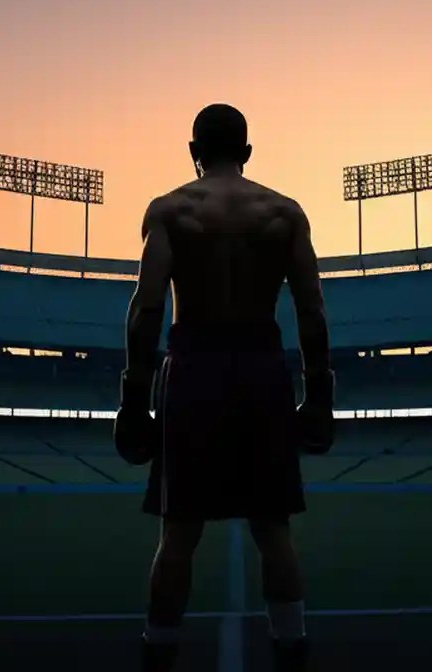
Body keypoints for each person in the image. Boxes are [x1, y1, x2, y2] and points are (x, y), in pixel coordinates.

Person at [114, 103, 335, 672]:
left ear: (193, 153)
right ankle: (292, 648)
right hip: (262, 369)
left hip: (194, 369)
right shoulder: (283, 213)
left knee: (178, 534)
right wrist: (319, 397)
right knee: (273, 529)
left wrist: (133, 405)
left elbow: (146, 310)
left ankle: (158, 653)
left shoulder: (170, 210)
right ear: (248, 152)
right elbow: (311, 311)